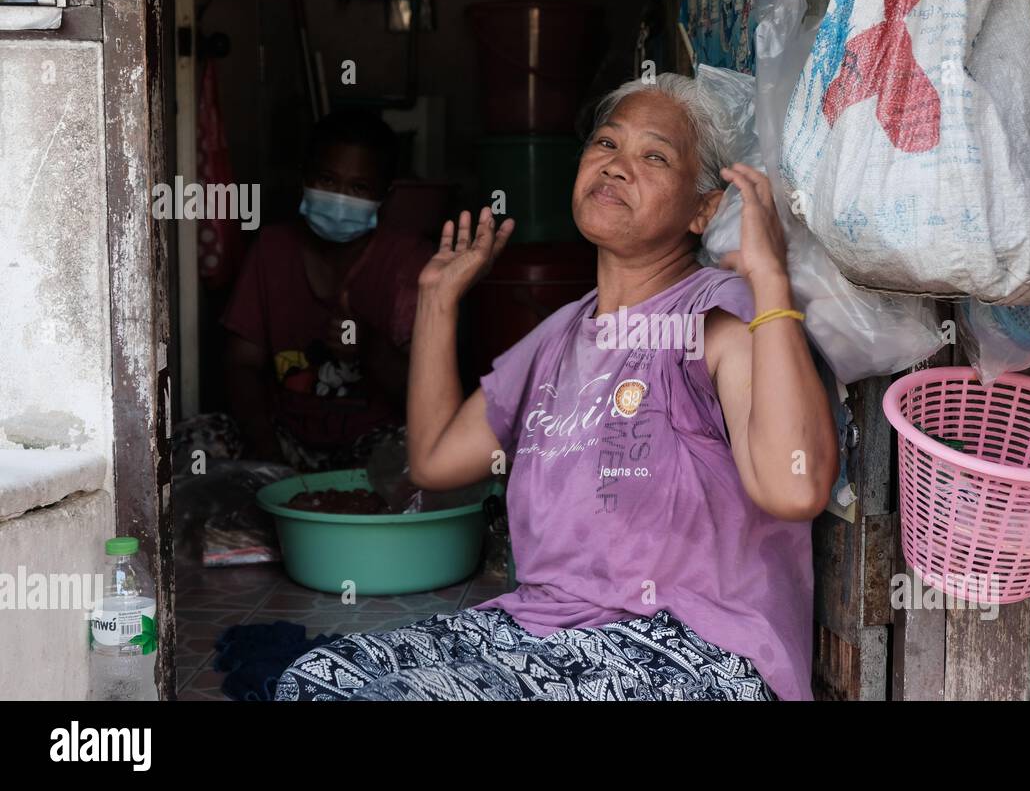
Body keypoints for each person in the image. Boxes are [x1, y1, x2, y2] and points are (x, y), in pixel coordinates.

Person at [275, 74, 838, 701]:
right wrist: (438, 300)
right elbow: (434, 461)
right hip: (542, 631)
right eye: (605, 144)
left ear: (703, 208)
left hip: (690, 652)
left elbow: (795, 487)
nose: (618, 166)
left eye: (654, 156)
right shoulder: (559, 336)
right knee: (316, 680)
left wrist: (770, 282)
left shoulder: (719, 314)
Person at [217, 109, 430, 472]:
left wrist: (368, 348)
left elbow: (428, 396)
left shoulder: (409, 263)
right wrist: (266, 447)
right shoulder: (272, 249)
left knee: (420, 467)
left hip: (375, 442)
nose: (340, 198)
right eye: (328, 181)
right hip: (282, 436)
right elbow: (241, 364)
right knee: (192, 444)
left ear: (385, 195)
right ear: (305, 179)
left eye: (358, 188)